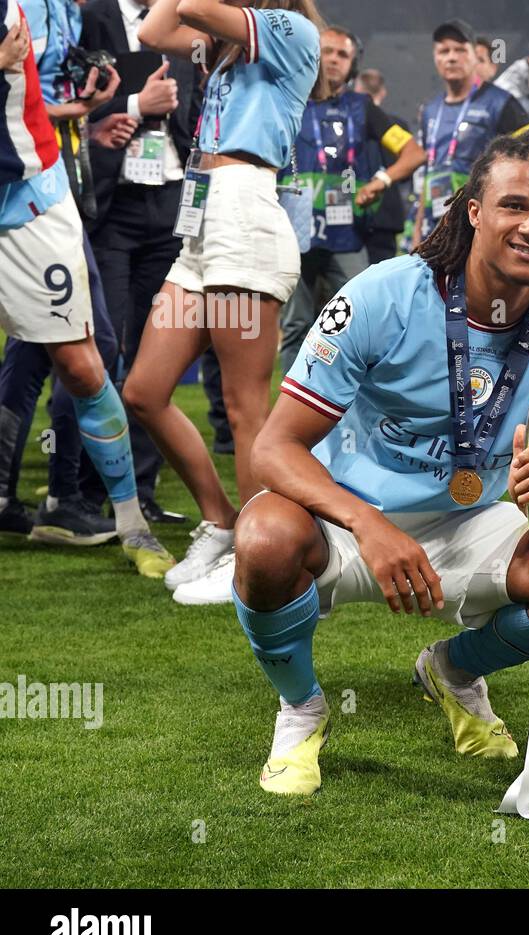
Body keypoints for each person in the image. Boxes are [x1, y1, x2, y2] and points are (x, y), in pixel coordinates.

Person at [230, 130, 529, 795]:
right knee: (263, 537)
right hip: (343, 520)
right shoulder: (383, 296)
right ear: (473, 210)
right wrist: (368, 525)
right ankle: (301, 709)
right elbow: (273, 447)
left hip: (468, 520)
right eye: (514, 206)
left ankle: (454, 669)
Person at [124, 0, 324, 603]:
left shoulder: (293, 30)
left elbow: (185, 8)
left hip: (245, 214)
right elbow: (154, 28)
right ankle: (222, 518)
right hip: (203, 221)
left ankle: (254, 560)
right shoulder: (224, 40)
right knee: (144, 390)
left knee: (243, 408)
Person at [0, 0, 173, 574]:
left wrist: (90, 110)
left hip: (29, 200)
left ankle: (129, 523)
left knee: (83, 362)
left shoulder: (45, 10)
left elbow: (31, 98)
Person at [78, 0, 203, 526]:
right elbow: (67, 105)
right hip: (111, 205)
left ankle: (144, 489)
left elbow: (196, 113)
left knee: (158, 355)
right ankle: (86, 494)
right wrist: (135, 102)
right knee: (102, 351)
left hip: (170, 203)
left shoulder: (187, 25)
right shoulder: (93, 17)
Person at [276, 25, 424, 373]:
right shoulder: (287, 99)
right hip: (293, 231)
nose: (333, 59)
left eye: (342, 54)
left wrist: (381, 180)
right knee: (295, 325)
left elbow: (414, 152)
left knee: (363, 318)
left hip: (347, 235)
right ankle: (289, 415)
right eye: (326, 51)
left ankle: (356, 408)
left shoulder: (363, 107)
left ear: (352, 64)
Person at [412, 18, 529, 241]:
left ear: (476, 56)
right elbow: (428, 173)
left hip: (481, 226)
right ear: (435, 57)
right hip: (435, 224)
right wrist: (418, 232)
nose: (451, 57)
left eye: (460, 50)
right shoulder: (430, 109)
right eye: (443, 50)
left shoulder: (501, 102)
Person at [353, 67, 413, 264]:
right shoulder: (399, 126)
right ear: (383, 92)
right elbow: (406, 174)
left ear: (356, 88)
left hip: (354, 213)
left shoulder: (347, 124)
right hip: (386, 216)